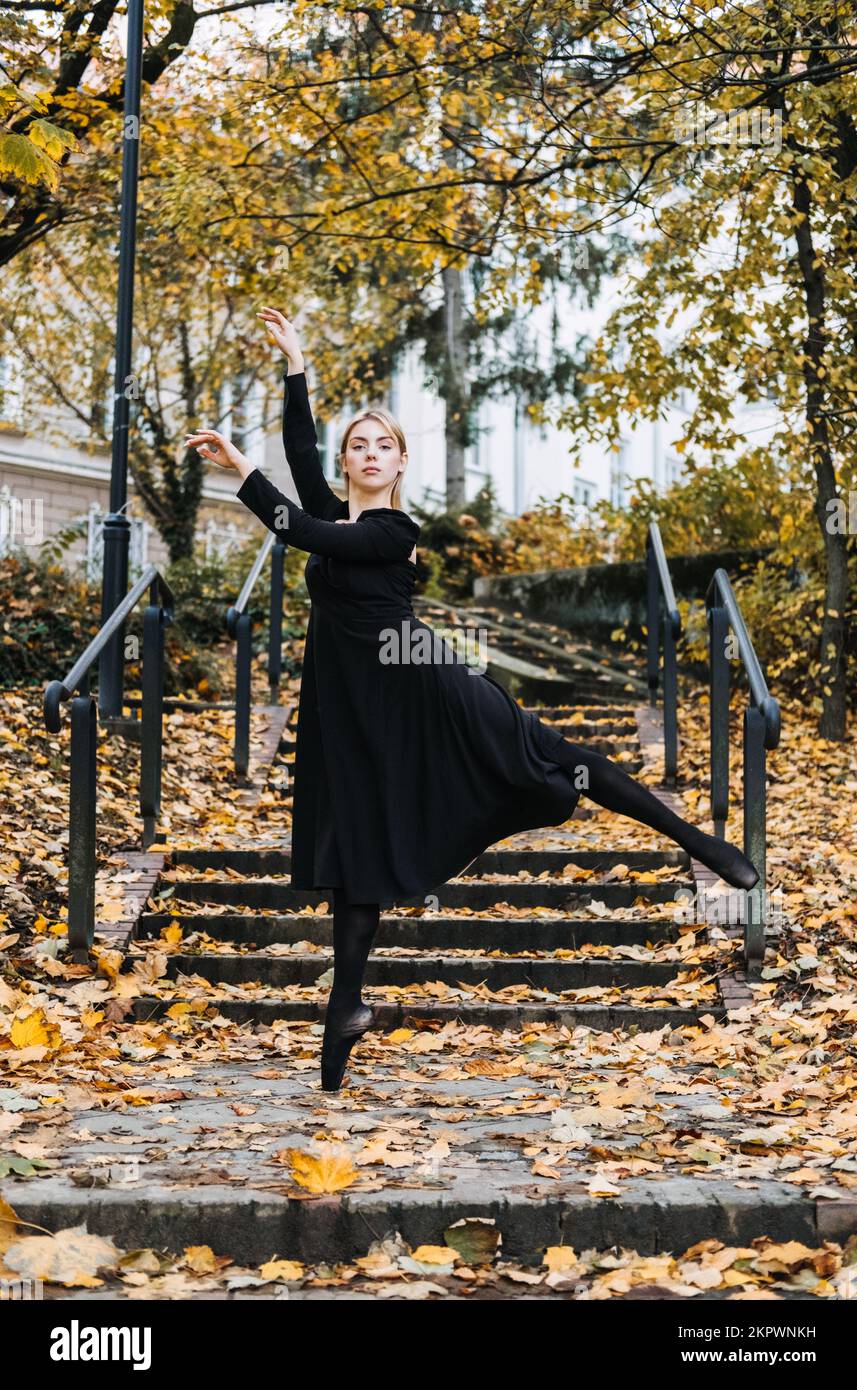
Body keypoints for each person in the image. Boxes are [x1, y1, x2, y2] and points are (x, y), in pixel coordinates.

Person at [185, 307, 759, 1092]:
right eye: (359, 444)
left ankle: (701, 845)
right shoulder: (334, 510)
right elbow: (302, 467)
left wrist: (239, 471)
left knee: (556, 757)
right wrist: (295, 367)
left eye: (384, 444)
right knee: (355, 852)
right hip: (352, 709)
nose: (370, 452)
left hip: (425, 683)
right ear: (349, 463)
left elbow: (292, 530)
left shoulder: (393, 529)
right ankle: (345, 1007)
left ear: (401, 461)